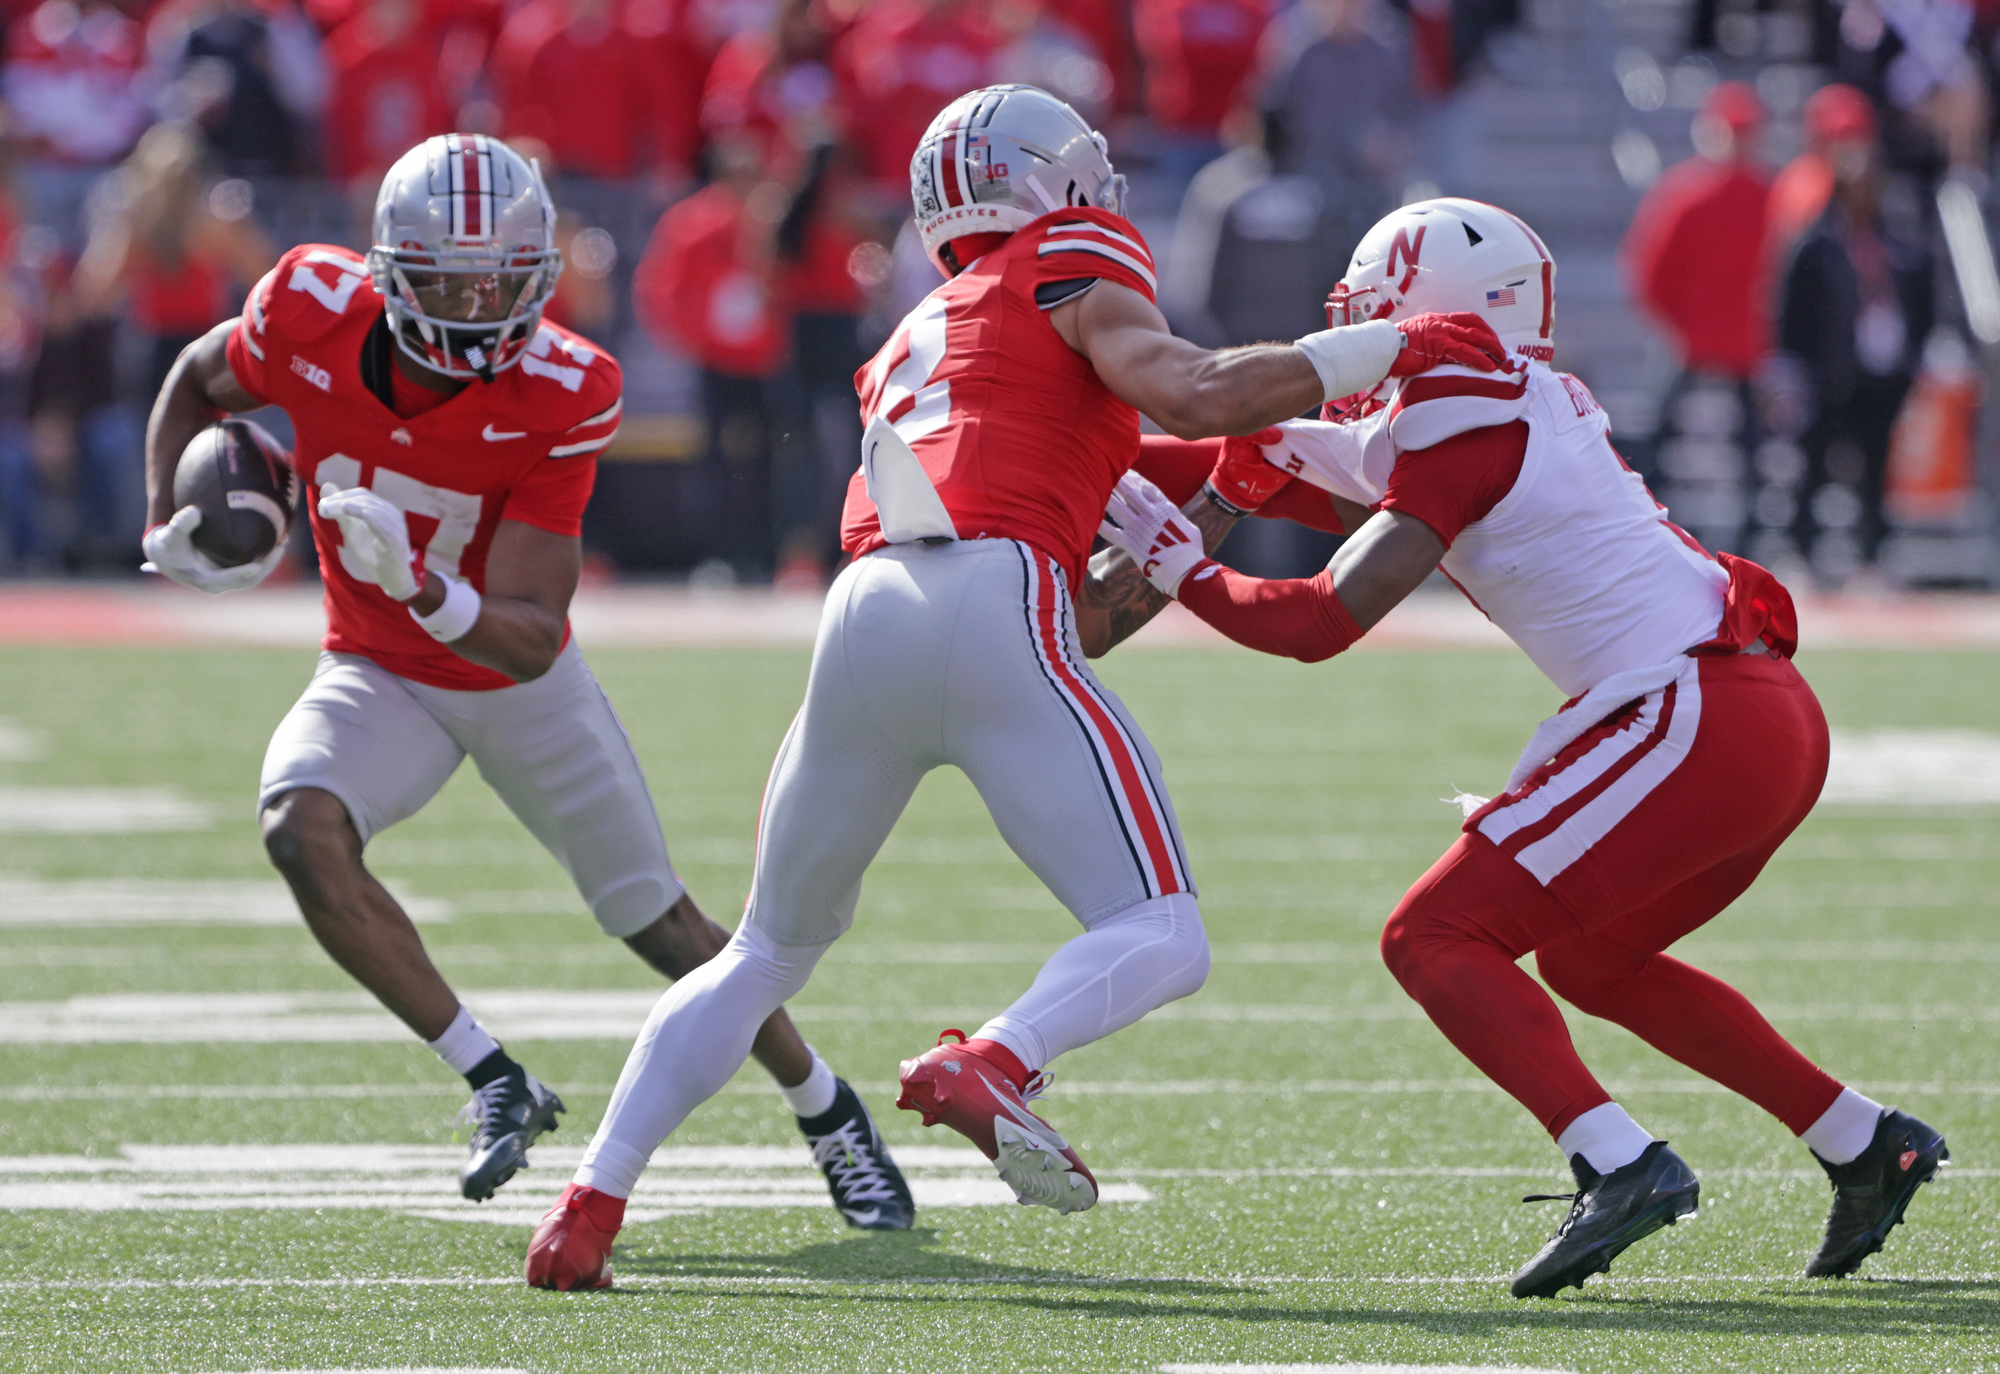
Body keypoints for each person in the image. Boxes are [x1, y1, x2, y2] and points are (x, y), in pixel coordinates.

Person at [523, 83, 1508, 1291]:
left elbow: (1075, 605)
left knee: (765, 951)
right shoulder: (1074, 249)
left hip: (869, 608)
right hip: (991, 598)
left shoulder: (918, 333)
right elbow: (1193, 394)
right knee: (1164, 931)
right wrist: (1391, 347)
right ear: (1049, 183)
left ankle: (587, 1205)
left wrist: (1200, 519)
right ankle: (992, 1058)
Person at [1093, 196, 1950, 1297]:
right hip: (1755, 715)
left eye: (1377, 302)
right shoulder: (1490, 402)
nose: (1355, 320)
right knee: (1594, 961)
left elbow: (1315, 624)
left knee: (1432, 935)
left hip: (1694, 715)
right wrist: (1069, 464)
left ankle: (1620, 1161)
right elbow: (1273, 464)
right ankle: (1863, 1141)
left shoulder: (1465, 409)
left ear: (1428, 307)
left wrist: (1183, 568)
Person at [137, 133, 912, 1230]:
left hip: (509, 684)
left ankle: (826, 1108)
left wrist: (418, 584)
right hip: (374, 671)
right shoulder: (308, 304)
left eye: (502, 278)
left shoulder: (562, 385)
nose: (478, 303)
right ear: (390, 270)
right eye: (451, 278)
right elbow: (199, 376)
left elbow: (532, 636)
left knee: (661, 925)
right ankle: (492, 1075)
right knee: (296, 826)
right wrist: (165, 510)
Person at [1775, 100, 1931, 582]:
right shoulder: (1816, 245)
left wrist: (1913, 362)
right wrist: (1790, 368)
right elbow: (1792, 311)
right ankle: (1802, 555)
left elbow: (1922, 304)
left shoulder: (1899, 246)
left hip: (1881, 372)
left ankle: (1873, 560)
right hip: (1829, 374)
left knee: (1876, 470)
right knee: (1814, 466)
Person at [1619, 81, 1770, 556]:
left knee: (1707, 439)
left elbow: (1649, 268)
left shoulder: (1695, 192)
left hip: (1725, 338)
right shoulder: (1703, 193)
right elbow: (1652, 270)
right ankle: (1651, 520)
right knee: (1687, 436)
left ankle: (1650, 521)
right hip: (1714, 337)